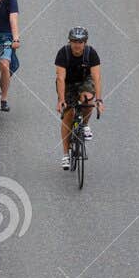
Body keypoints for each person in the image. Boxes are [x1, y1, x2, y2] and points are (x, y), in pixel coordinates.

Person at [55, 26, 104, 170]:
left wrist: (99, 100)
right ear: (70, 42)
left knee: (88, 99)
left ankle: (85, 125)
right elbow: (60, 78)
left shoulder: (91, 54)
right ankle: (65, 155)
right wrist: (61, 100)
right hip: (68, 83)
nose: (77, 44)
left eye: (81, 42)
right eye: (74, 41)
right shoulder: (63, 53)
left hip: (84, 80)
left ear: (85, 42)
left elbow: (96, 77)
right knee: (68, 114)